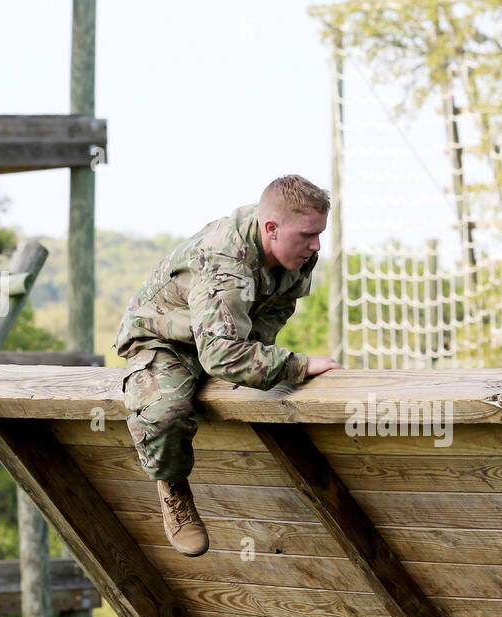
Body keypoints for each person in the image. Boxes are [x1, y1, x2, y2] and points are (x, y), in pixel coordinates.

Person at [113, 175, 342, 556]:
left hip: (221, 332)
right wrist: (296, 365)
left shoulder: (296, 248)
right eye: (308, 235)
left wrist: (257, 355)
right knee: (166, 412)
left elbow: (276, 307)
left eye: (319, 233)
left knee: (256, 389)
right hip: (164, 335)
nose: (317, 245)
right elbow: (219, 354)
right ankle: (171, 485)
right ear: (271, 228)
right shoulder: (224, 260)